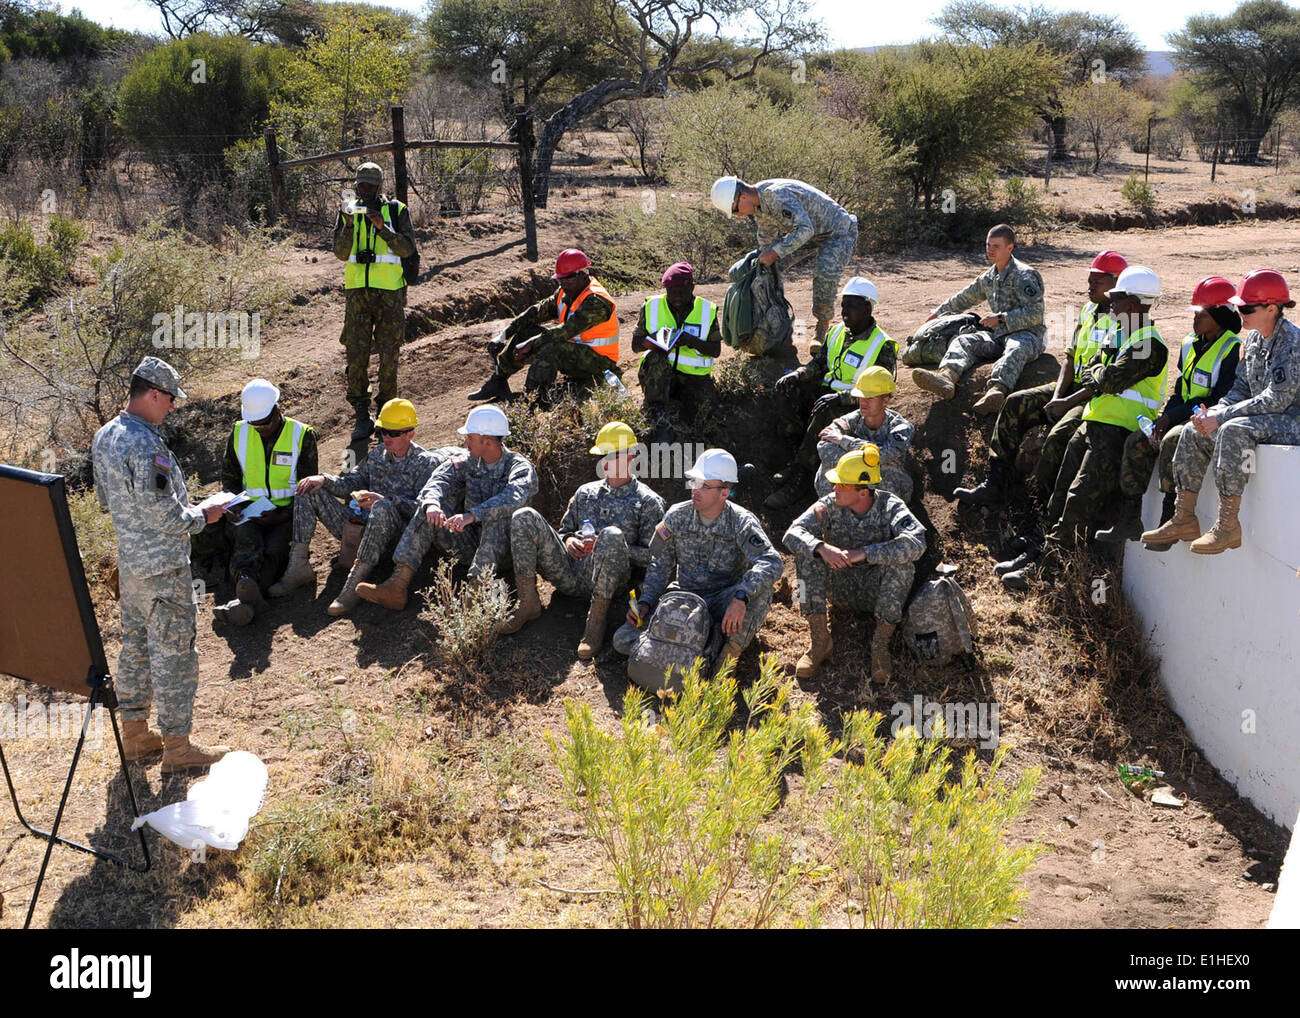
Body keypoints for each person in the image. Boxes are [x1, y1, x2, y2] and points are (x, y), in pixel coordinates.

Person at [91, 357, 230, 772]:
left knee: (134, 646)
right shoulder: (146, 443)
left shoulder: (105, 436)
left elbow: (105, 502)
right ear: (153, 394)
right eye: (170, 399)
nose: (172, 407)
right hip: (164, 567)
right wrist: (205, 513)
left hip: (131, 564)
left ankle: (134, 735)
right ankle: (177, 747)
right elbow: (166, 518)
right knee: (174, 654)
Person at [1003, 265, 1168, 591]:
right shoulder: (1123, 334)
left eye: (1118, 299)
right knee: (1060, 493)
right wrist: (1098, 374)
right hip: (1093, 421)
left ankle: (1046, 575)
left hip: (1115, 432)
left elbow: (1106, 378)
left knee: (1078, 501)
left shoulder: (1150, 343)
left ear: (1134, 303)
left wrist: (1099, 374)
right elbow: (1093, 370)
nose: (1112, 305)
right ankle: (1039, 551)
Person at [1141, 269, 1300, 555]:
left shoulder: (1292, 343)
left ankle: (1228, 526)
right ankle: (1183, 517)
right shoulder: (1253, 341)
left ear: (1273, 308)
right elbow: (1241, 388)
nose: (1240, 312)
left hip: (1292, 419)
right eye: (1239, 306)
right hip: (1268, 415)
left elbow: (1277, 399)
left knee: (1232, 429)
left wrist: (1222, 417)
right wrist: (1212, 412)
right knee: (1192, 428)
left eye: (1247, 307)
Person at [954, 251, 1126, 505]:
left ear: (1117, 283)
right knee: (1015, 403)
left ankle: (1037, 510)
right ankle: (996, 483)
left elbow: (1105, 378)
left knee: (1058, 437)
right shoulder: (1088, 310)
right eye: (1090, 278)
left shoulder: (1124, 320)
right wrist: (1057, 395)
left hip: (1096, 395)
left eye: (1098, 280)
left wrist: (1065, 403)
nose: (1090, 285)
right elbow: (1069, 357)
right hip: (1072, 386)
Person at [500, 421, 667, 658]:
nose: (606, 462)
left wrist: (612, 546)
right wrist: (568, 540)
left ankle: (595, 622)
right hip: (569, 572)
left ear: (631, 456)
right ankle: (528, 603)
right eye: (603, 456)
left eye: (612, 455)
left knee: (611, 534)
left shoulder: (648, 502)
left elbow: (653, 558)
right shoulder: (585, 492)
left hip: (609, 585)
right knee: (524, 515)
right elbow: (563, 531)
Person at [271, 399, 454, 615]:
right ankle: (298, 564)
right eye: (383, 431)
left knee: (383, 507)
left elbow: (423, 510)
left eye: (394, 433)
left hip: (396, 539)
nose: (387, 437)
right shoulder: (377, 455)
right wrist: (323, 480)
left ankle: (353, 586)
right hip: (361, 529)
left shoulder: (426, 463)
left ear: (410, 433)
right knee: (308, 489)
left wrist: (385, 500)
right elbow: (351, 483)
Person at [1096, 277, 1241, 548]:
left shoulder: (1233, 348)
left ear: (1219, 316)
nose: (1194, 318)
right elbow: (1179, 390)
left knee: (1173, 439)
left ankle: (1170, 518)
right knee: (1137, 441)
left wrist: (1170, 419)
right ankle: (1130, 517)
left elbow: (1219, 398)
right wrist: (1163, 418)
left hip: (1209, 418)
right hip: (1181, 413)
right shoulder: (1189, 343)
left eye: (1201, 313)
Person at [612, 448, 782, 674]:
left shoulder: (741, 522)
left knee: (760, 594)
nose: (695, 490)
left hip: (723, 602)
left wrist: (741, 596)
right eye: (694, 482)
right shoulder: (676, 515)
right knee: (622, 639)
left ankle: (724, 661)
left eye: (704, 485)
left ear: (724, 492)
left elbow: (772, 561)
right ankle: (698, 650)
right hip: (684, 599)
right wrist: (646, 602)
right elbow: (659, 564)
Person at [356, 405, 538, 610]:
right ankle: (397, 585)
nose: (465, 442)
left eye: (470, 438)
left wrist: (472, 515)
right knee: (429, 508)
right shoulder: (468, 461)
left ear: (487, 441)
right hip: (471, 545)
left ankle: (476, 593)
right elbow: (438, 480)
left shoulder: (519, 466)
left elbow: (515, 497)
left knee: (496, 518)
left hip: (508, 554)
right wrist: (432, 503)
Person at [783, 447, 927, 685]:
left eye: (842, 485)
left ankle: (880, 647)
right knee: (807, 555)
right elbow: (792, 534)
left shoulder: (890, 506)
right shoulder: (829, 504)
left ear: (863, 491)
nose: (834, 489)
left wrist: (865, 553)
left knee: (902, 565)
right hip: (838, 584)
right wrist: (821, 547)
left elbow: (917, 543)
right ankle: (820, 642)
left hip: (875, 591)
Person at [765, 277, 897, 508]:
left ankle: (801, 478)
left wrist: (841, 397)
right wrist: (797, 375)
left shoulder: (882, 344)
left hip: (856, 404)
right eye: (843, 304)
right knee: (787, 390)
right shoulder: (836, 332)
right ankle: (798, 457)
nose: (844, 311)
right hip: (828, 392)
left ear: (867, 308)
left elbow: (882, 393)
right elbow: (818, 364)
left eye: (851, 305)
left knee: (826, 411)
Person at [912, 224, 1046, 415]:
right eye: (988, 245)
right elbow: (964, 297)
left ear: (1010, 247)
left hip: (1029, 335)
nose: (990, 250)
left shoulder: (1024, 276)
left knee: (1015, 348)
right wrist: (938, 313)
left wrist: (1001, 318)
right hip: (998, 335)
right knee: (963, 340)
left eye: (996, 246)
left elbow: (1036, 313)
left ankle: (997, 391)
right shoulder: (989, 277)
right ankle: (947, 378)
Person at [710, 176, 858, 348]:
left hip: (837, 230)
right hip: (810, 232)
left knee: (824, 272)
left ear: (742, 196)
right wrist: (765, 258)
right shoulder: (759, 206)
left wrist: (775, 252)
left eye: (735, 210)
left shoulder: (775, 195)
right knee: (768, 266)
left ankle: (821, 328)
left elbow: (805, 228)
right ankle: (775, 320)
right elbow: (767, 239)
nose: (739, 215)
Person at [216, 378, 317, 626]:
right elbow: (229, 479)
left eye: (264, 423)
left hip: (287, 516)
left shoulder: (302, 435)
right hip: (250, 512)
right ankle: (246, 585)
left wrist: (284, 516)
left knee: (274, 549)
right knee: (247, 539)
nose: (259, 428)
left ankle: (245, 601)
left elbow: (308, 490)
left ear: (278, 410)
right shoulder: (239, 432)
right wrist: (233, 506)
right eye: (255, 424)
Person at [332, 161, 416, 443]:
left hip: (390, 294)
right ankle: (361, 414)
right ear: (356, 185)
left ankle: (385, 412)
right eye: (361, 185)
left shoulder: (395, 210)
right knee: (356, 354)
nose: (366, 190)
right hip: (357, 294)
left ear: (380, 186)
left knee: (389, 354)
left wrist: (382, 228)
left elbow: (407, 249)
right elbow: (341, 254)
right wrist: (347, 225)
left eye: (371, 185)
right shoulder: (348, 211)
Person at [468, 249, 620, 404]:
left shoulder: (596, 301)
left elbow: (566, 331)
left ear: (582, 276)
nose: (563, 285)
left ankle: (534, 400)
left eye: (567, 280)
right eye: (560, 280)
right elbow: (536, 312)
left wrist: (532, 343)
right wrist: (504, 334)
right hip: (575, 351)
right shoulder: (564, 293)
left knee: (551, 348)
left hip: (600, 361)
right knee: (527, 332)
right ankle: (498, 381)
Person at [630, 262, 722, 442]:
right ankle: (659, 420)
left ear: (692, 287)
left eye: (682, 291)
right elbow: (635, 345)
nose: (677, 297)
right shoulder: (651, 306)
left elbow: (715, 350)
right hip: (660, 377)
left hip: (695, 379)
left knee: (710, 419)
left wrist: (692, 341)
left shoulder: (707, 310)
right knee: (655, 357)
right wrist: (654, 340)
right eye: (672, 292)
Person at [813, 366, 914, 502]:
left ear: (885, 401)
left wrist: (844, 441)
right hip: (853, 486)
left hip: (886, 489)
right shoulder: (852, 419)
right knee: (828, 464)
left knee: (888, 471)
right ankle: (833, 512)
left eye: (869, 398)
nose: (863, 402)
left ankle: (885, 518)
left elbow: (886, 453)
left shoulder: (900, 427)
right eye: (861, 397)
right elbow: (824, 445)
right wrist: (873, 460)